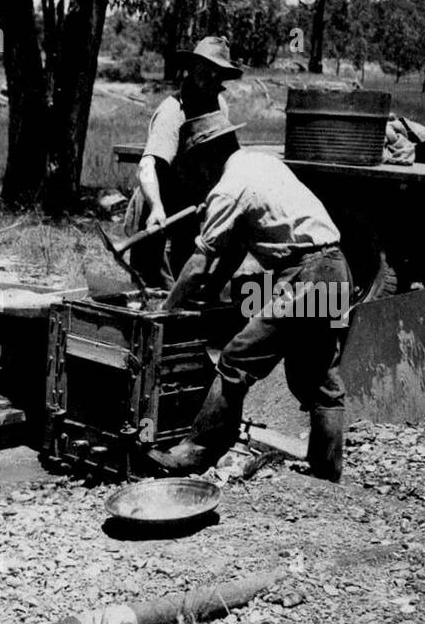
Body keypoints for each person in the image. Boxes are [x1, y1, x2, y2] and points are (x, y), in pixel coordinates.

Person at [145, 111, 351, 483]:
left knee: (236, 360)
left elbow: (197, 261)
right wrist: (208, 292)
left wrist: (167, 309)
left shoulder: (229, 187)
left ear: (205, 158)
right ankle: (326, 474)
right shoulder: (260, 163)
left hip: (304, 275)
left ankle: (197, 451)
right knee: (321, 380)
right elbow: (237, 247)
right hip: (335, 267)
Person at [124, 35, 241, 289]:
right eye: (206, 70)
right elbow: (147, 166)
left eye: (218, 73)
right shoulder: (172, 113)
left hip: (188, 206)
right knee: (151, 282)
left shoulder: (218, 104)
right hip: (158, 205)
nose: (212, 78)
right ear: (192, 68)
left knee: (184, 276)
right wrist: (156, 207)